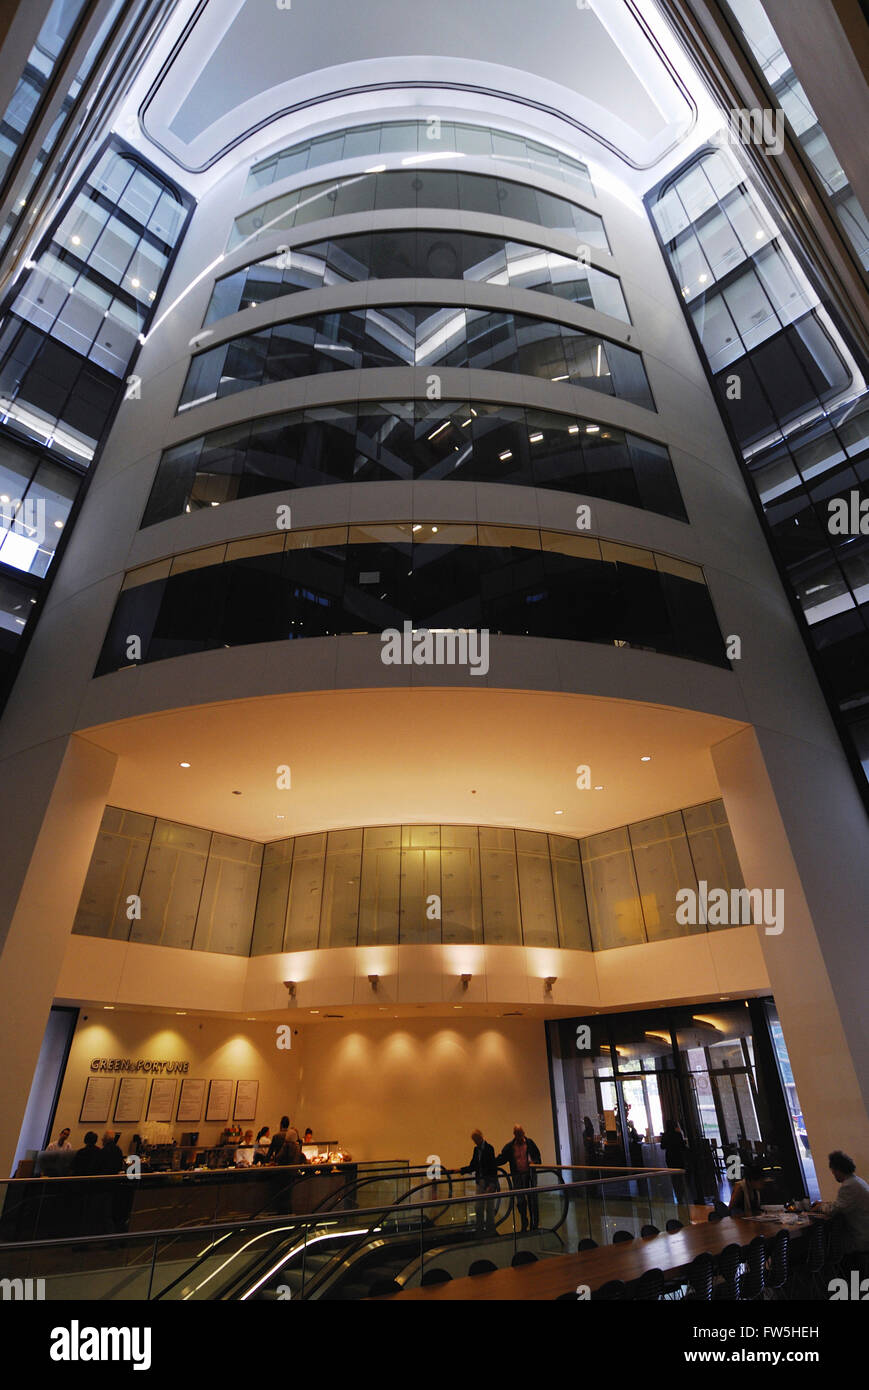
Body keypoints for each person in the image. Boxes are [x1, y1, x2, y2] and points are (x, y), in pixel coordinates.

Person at [812, 1151, 869, 1263]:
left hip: (861, 1237)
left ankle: (838, 1275)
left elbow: (834, 1210)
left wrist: (819, 1207)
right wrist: (824, 1204)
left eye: (833, 1171)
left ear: (838, 1170)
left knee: (830, 1245)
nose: (833, 1174)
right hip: (864, 1231)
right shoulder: (857, 1181)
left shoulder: (848, 1186)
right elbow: (842, 1204)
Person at [496, 1125, 542, 1232]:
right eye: (518, 1135)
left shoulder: (530, 1144)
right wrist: (491, 1163)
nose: (521, 1137)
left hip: (530, 1175)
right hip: (517, 1176)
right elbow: (502, 1158)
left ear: (524, 1133)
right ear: (515, 1135)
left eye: (521, 1134)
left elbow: (538, 1157)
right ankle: (524, 1221)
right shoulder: (510, 1147)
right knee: (520, 1200)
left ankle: (534, 1223)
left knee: (532, 1199)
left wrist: (534, 1163)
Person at [459, 1129, 499, 1233]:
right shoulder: (477, 1150)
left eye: (476, 1139)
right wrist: (462, 1170)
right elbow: (474, 1165)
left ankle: (488, 1228)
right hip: (481, 1181)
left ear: (480, 1137)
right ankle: (481, 1227)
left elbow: (492, 1167)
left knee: (488, 1207)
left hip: (487, 1182)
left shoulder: (489, 1149)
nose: (475, 1142)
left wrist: (492, 1183)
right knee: (479, 1206)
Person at [661, 1118, 690, 1205]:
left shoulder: (665, 1135)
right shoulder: (678, 1134)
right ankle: (683, 1194)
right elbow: (682, 1146)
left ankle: (678, 1196)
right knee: (680, 1176)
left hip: (670, 1157)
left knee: (674, 1177)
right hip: (678, 1157)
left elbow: (662, 1146)